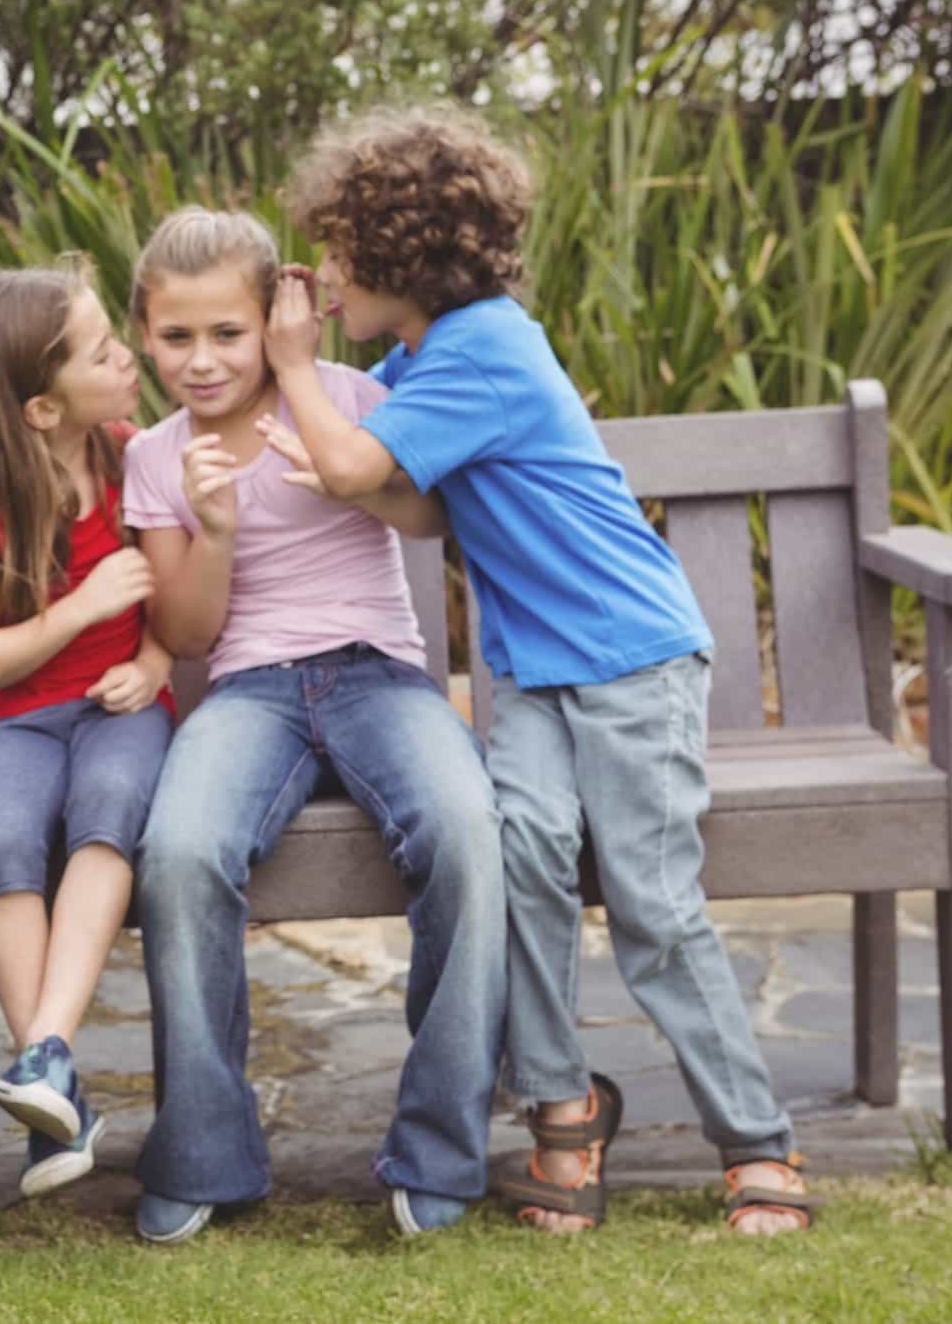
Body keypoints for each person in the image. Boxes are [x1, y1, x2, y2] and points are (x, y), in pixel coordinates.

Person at [276, 104, 815, 1235]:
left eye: (334, 250)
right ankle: (563, 1113)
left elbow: (351, 466)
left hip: (627, 654)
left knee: (651, 903)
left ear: (397, 256)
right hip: (526, 666)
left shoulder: (485, 348)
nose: (321, 277)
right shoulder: (428, 353)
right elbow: (421, 505)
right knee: (520, 865)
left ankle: (754, 1141)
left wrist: (291, 375)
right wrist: (337, 461)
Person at [122, 206, 507, 1245]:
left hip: (376, 675)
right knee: (180, 852)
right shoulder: (156, 457)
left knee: (469, 833)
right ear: (144, 334)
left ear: (274, 322)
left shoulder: (348, 396)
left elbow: (430, 520)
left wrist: (310, 409)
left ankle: (436, 1148)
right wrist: (216, 531)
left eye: (226, 335)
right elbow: (188, 634)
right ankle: (204, 1152)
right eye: (174, 338)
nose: (200, 362)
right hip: (250, 690)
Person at [0, 263, 175, 1197]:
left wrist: (153, 664)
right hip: (17, 721)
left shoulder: (133, 454)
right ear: (41, 407)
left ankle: (45, 1059)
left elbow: (177, 599)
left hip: (121, 707)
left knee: (113, 804)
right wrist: (79, 612)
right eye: (103, 349)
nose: (127, 357)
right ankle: (53, 1080)